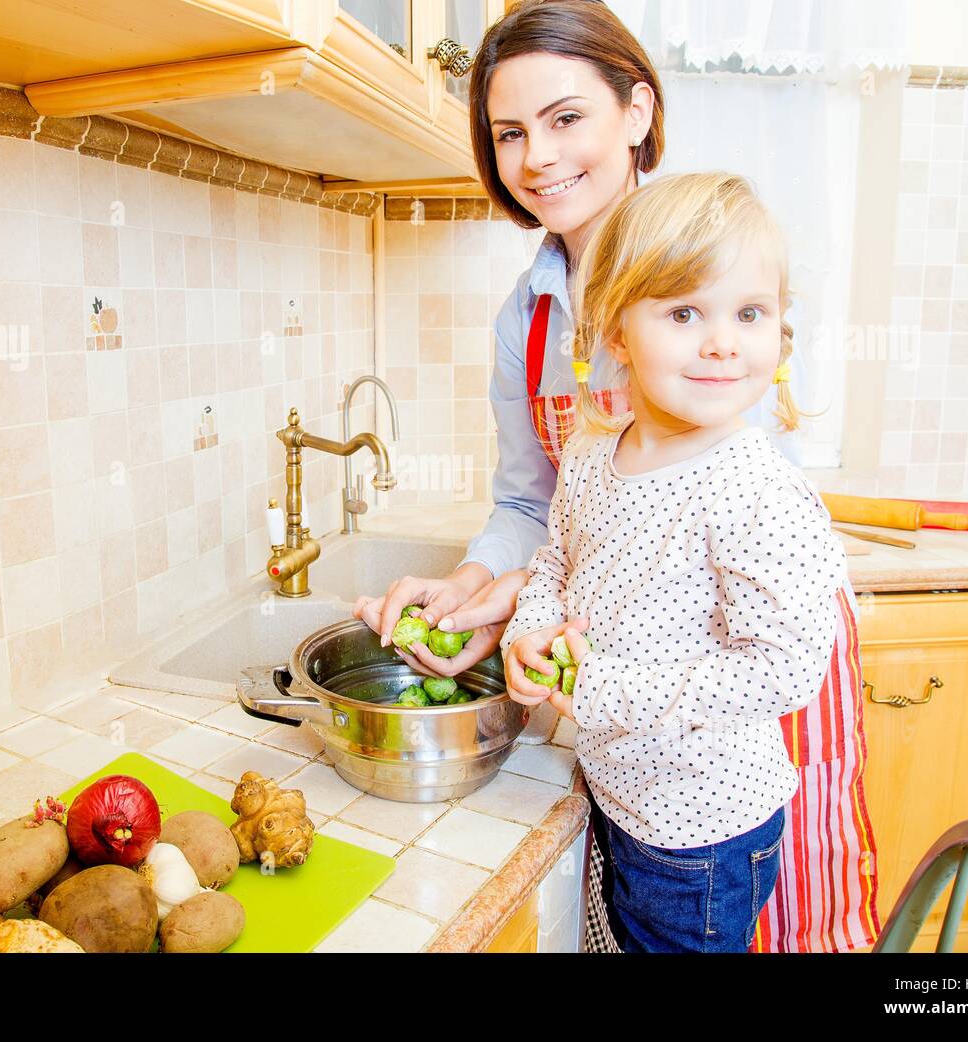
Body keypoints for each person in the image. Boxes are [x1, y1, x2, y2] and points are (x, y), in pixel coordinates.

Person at [352, 0, 879, 953]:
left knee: (775, 916)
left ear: (637, 112)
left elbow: (717, 544)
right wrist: (483, 589)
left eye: (566, 118)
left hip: (730, 693)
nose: (538, 158)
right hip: (623, 728)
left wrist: (588, 659)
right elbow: (541, 507)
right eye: (509, 133)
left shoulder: (707, 272)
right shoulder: (532, 316)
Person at [501, 170, 839, 952]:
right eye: (685, 312)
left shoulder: (755, 489)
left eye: (750, 313)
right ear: (617, 332)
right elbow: (556, 562)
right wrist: (532, 629)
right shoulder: (590, 456)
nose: (723, 341)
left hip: (703, 839)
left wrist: (607, 687)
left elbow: (787, 670)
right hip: (622, 796)